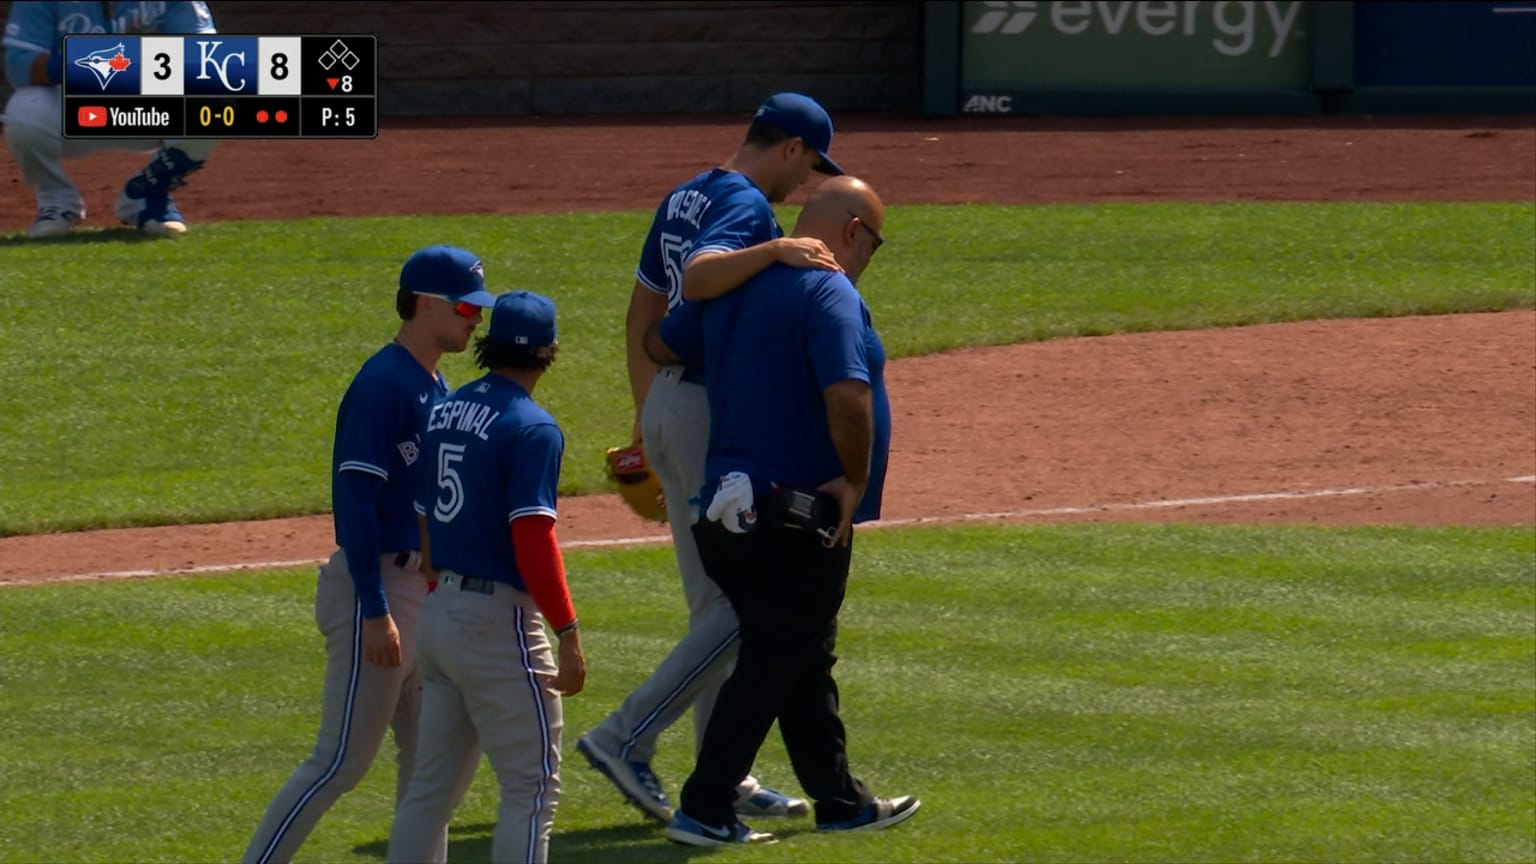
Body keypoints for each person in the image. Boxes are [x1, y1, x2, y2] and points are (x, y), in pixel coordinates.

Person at [576, 91, 845, 826]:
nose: (807, 186)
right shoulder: (746, 207)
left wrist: (643, 419)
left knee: (714, 603)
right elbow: (698, 280)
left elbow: (642, 312)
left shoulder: (688, 192)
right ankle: (624, 737)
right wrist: (778, 250)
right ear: (789, 147)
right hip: (698, 407)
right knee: (738, 605)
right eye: (810, 166)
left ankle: (723, 773)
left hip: (668, 401)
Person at [646, 175, 918, 846]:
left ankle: (840, 799)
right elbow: (846, 394)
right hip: (795, 511)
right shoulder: (828, 290)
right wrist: (852, 479)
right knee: (776, 654)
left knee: (802, 652)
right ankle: (705, 807)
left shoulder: (739, 284)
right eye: (875, 245)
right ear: (854, 231)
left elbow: (664, 343)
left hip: (726, 509)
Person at [243, 246, 497, 864]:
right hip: (377, 587)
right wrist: (374, 608)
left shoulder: (435, 382)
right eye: (467, 306)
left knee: (428, 775)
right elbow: (353, 503)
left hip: (422, 595)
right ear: (427, 303)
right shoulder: (382, 386)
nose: (476, 320)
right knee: (339, 762)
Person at [386, 290, 585, 864]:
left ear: (489, 345)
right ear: (550, 353)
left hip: (442, 613)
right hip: (498, 624)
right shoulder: (533, 428)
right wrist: (567, 631)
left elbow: (423, 512)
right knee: (531, 788)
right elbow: (532, 538)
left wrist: (440, 593)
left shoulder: (445, 409)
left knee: (430, 792)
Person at [1, 1, 219, 238]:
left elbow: (205, 58)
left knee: (215, 102)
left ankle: (148, 192)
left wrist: (143, 56)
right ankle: (56, 200)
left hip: (146, 109)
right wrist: (90, 63)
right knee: (24, 110)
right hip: (72, 108)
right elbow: (18, 66)